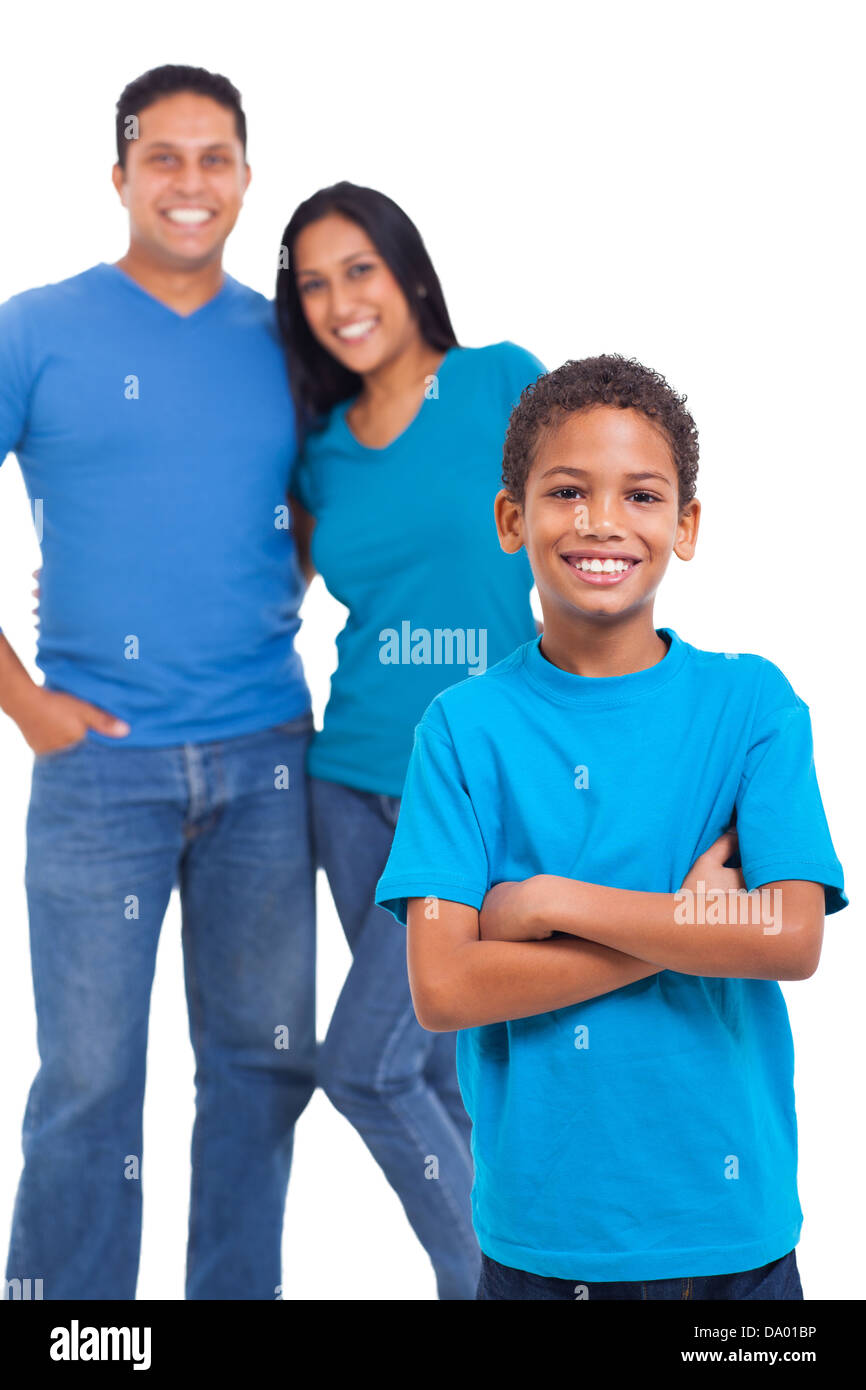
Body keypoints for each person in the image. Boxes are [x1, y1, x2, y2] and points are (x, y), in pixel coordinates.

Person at [376, 354, 848, 1300]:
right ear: (513, 520)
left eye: (641, 494)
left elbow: (790, 939)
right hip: (542, 1248)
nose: (601, 522)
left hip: (736, 1240)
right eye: (566, 492)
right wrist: (695, 926)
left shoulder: (752, 706)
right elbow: (444, 984)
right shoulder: (463, 730)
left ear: (687, 525)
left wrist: (552, 901)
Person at [0, 65, 316, 1300]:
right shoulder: (35, 328)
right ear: (120, 175)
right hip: (98, 769)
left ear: (244, 177)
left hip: (268, 756)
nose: (191, 182)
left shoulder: (286, 341)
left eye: (215, 158)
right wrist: (23, 699)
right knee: (86, 1079)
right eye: (164, 157)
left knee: (257, 1065)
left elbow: (321, 501)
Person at [277, 182, 545, 1299]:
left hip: (473, 799)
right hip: (346, 791)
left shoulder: (499, 381)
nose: (340, 300)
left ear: (408, 270)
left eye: (359, 269)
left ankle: (489, 1279)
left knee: (366, 1067)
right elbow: (261, 592)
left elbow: (596, 534)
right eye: (312, 283)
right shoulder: (322, 450)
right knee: (431, 1062)